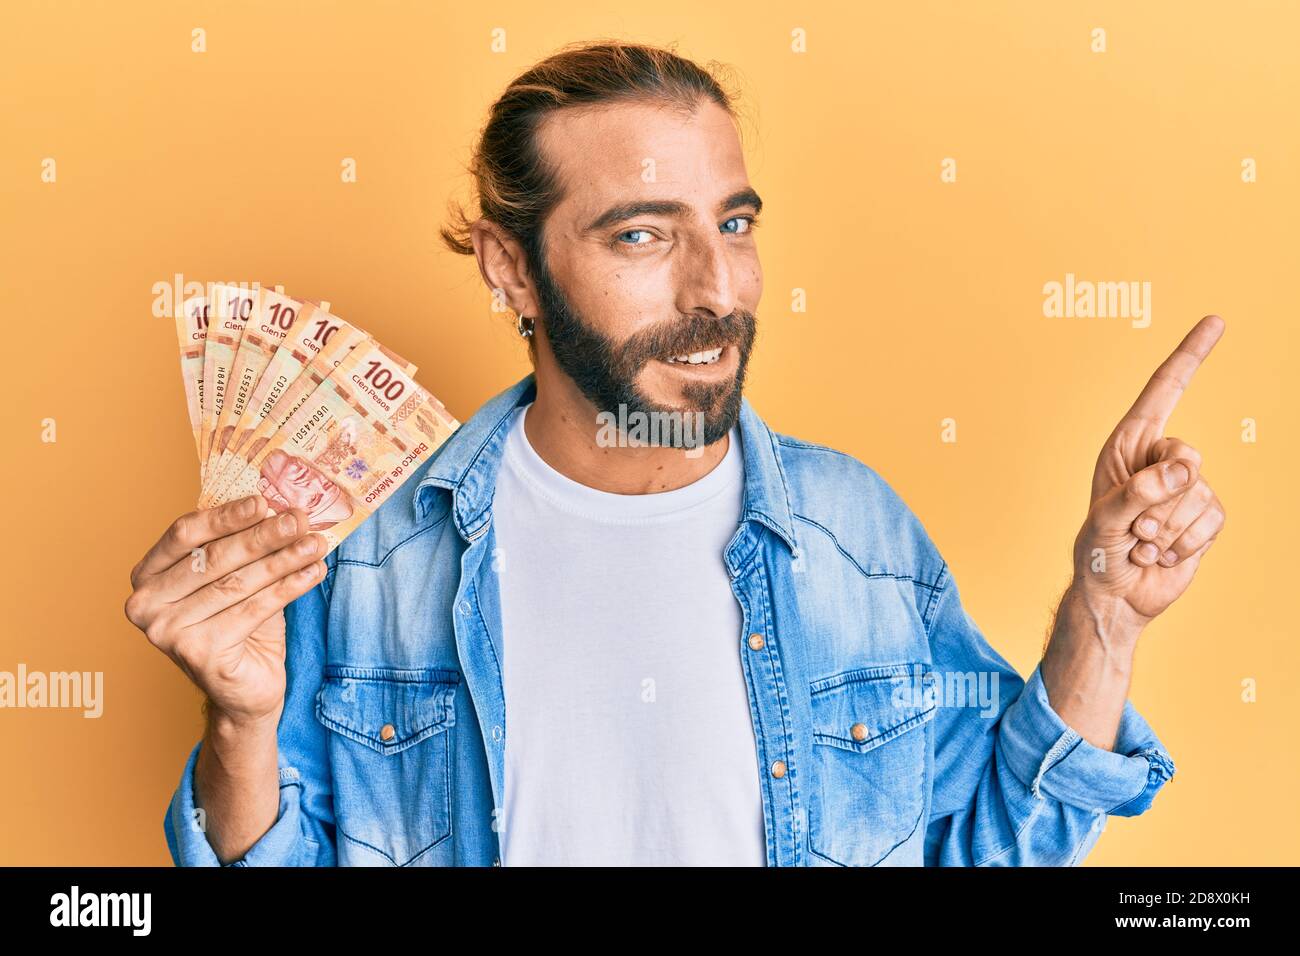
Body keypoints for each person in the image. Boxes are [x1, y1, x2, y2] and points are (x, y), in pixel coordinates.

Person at [125, 40, 1225, 867]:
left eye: (733, 225)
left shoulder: (857, 533)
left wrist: (1104, 619)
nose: (714, 291)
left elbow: (991, 845)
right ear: (510, 268)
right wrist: (239, 724)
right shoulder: (369, 553)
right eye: (642, 235)